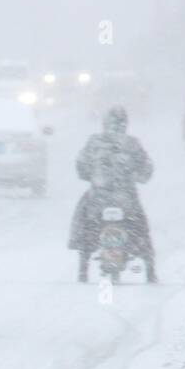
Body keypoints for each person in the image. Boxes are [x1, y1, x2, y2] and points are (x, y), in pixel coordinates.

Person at [69, 105, 157, 283]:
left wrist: (92, 175)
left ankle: (83, 263)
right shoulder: (133, 144)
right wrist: (137, 175)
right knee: (141, 229)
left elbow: (81, 166)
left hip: (98, 200)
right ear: (125, 124)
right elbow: (146, 170)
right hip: (127, 201)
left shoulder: (94, 142)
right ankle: (150, 268)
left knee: (84, 222)